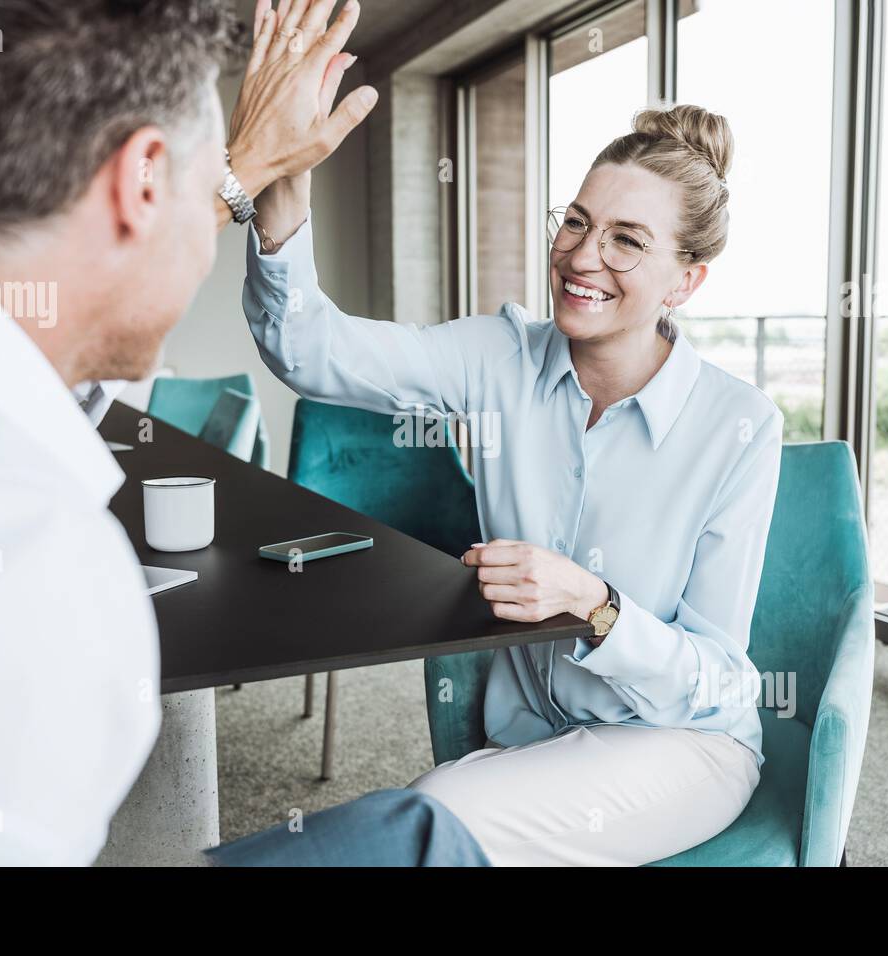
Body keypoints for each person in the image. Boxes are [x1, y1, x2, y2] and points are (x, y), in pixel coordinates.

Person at [0, 0, 488, 867]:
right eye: (209, 185)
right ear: (143, 182)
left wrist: (236, 174)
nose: (215, 214)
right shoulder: (33, 568)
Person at [239, 13, 782, 860]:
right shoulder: (500, 356)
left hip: (679, 745)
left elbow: (717, 681)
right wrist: (279, 184)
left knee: (432, 817)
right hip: (531, 733)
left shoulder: (737, 426)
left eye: (627, 241)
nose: (581, 256)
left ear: (687, 280)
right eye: (577, 221)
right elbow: (311, 350)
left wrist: (596, 607)